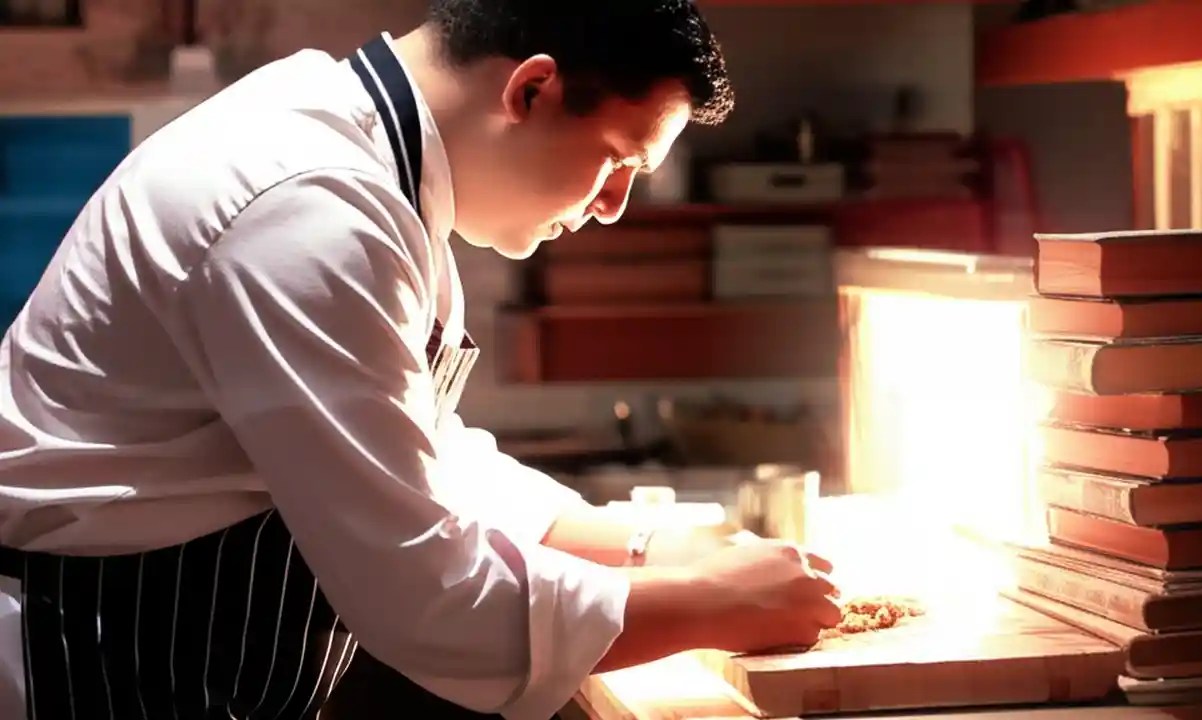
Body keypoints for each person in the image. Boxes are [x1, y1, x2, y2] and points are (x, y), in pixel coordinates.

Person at [0, 2, 842, 719]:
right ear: (533, 89)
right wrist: (714, 604)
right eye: (618, 161)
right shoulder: (309, 209)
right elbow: (427, 596)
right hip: (90, 665)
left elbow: (426, 458)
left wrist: (659, 548)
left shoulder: (363, 158)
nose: (614, 209)